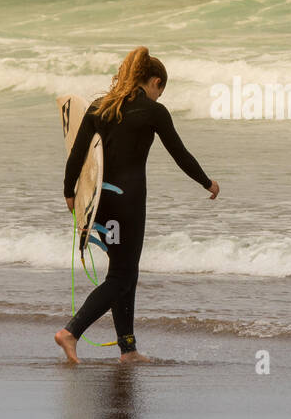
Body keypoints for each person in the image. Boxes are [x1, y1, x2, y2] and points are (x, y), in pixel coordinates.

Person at [57, 47, 219, 364]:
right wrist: (206, 182)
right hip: (128, 203)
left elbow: (77, 156)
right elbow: (180, 154)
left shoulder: (98, 108)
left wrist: (70, 195)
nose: (159, 96)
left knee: (124, 273)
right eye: (161, 90)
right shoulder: (153, 112)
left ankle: (128, 349)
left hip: (101, 202)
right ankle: (71, 332)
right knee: (121, 276)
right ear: (155, 81)